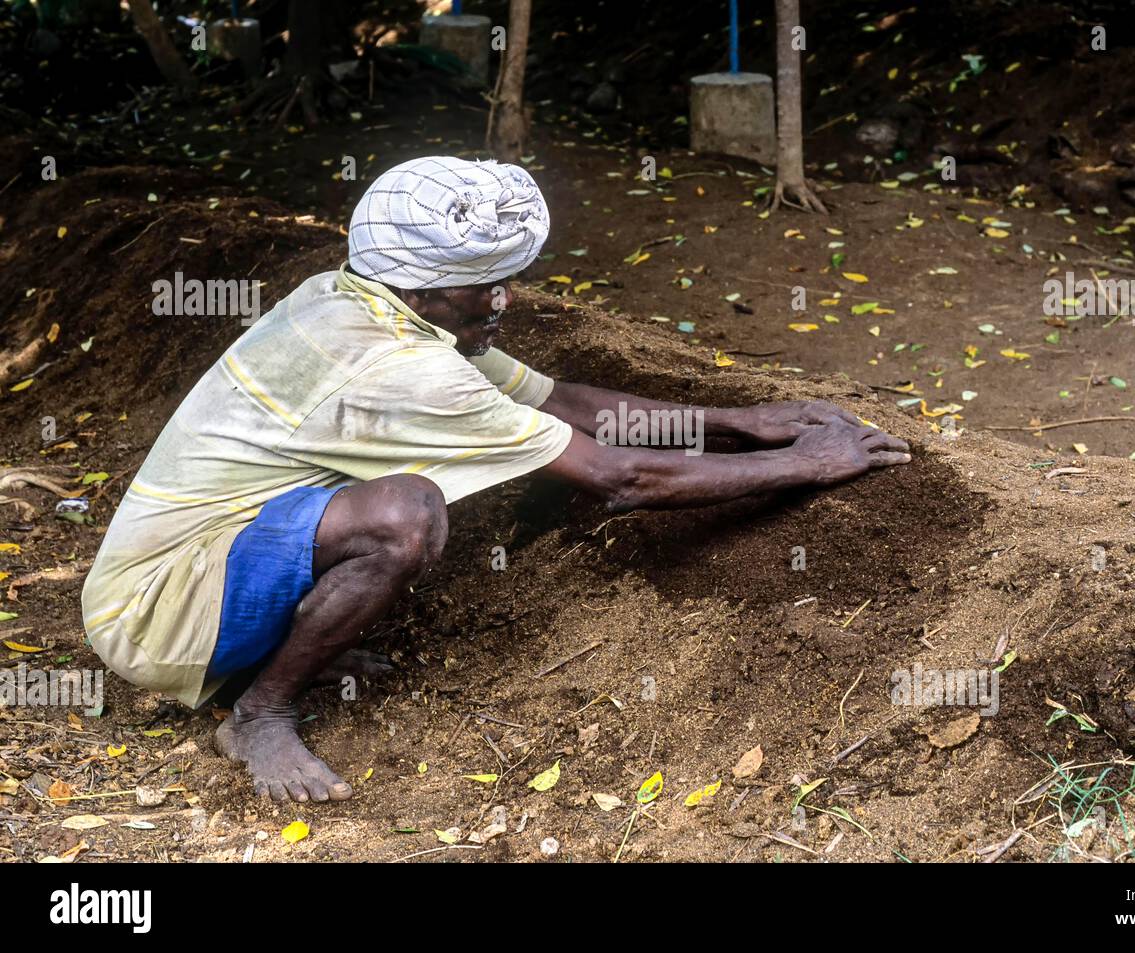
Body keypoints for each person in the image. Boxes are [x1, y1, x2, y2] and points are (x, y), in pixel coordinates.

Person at [81, 156, 910, 803]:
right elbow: (618, 477)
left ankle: (262, 661)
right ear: (425, 288)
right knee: (406, 514)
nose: (505, 298)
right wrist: (804, 462)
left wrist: (747, 418)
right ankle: (258, 711)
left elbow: (564, 400)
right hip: (154, 615)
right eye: (487, 284)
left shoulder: (352, 298)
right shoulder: (396, 366)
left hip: (194, 569)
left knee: (393, 504)